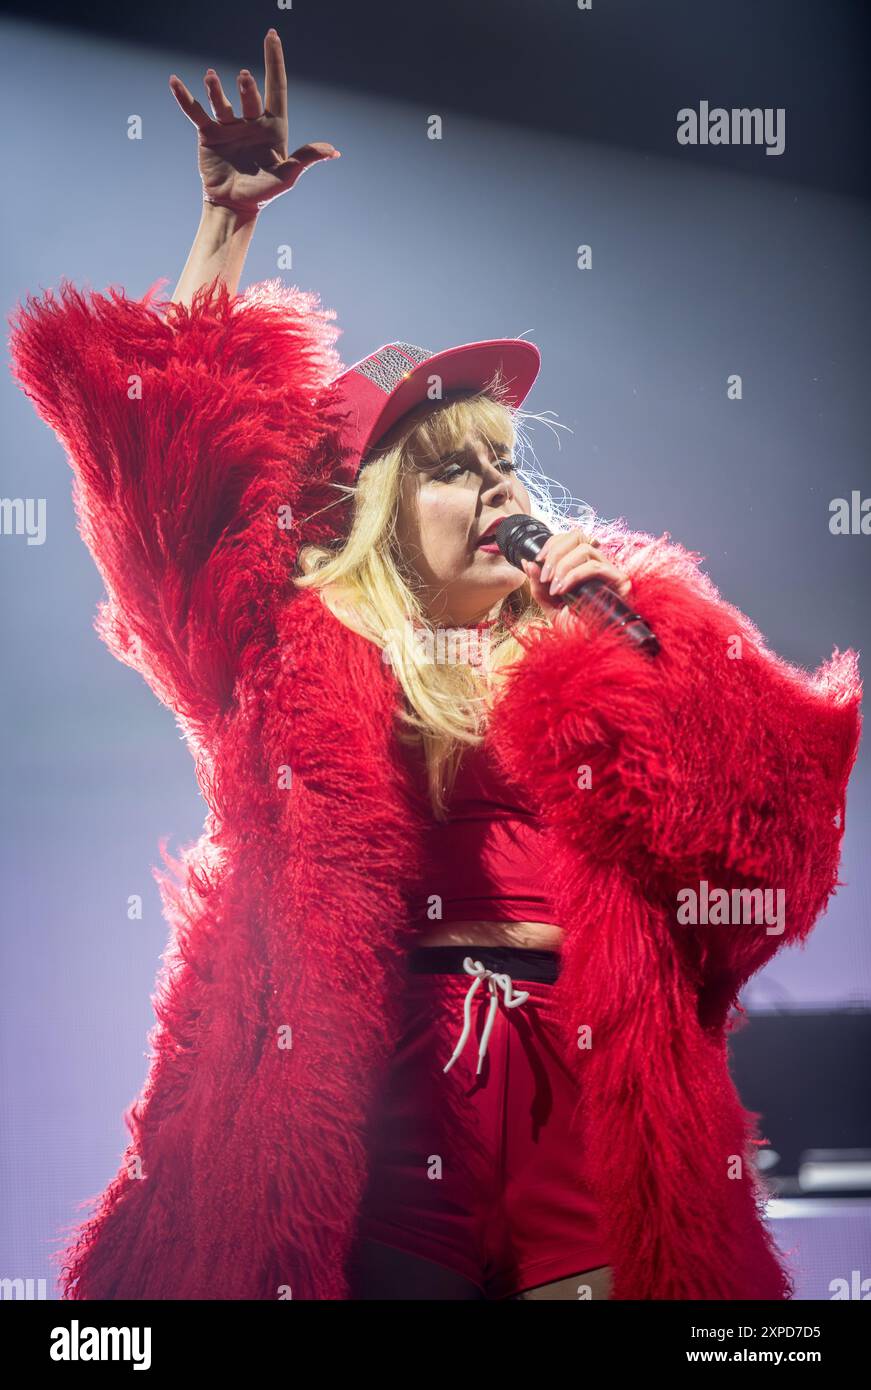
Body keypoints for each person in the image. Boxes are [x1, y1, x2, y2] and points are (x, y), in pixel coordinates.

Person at [7, 31, 862, 1302]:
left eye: (504, 461)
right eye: (453, 466)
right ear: (375, 512)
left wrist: (657, 652)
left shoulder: (617, 626)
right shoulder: (297, 647)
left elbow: (775, 842)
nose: (497, 486)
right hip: (393, 1081)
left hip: (588, 1073)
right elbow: (163, 476)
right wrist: (224, 235)